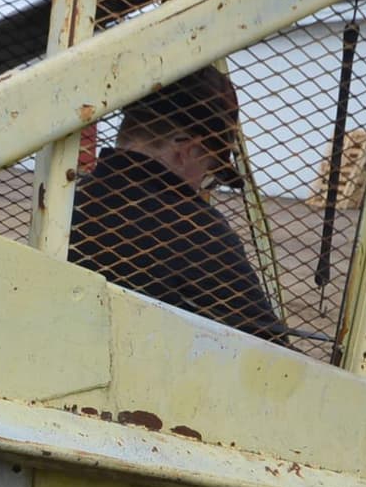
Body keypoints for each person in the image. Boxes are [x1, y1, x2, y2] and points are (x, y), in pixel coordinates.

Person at [69, 66, 283, 342]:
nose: (202, 187)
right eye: (209, 175)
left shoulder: (71, 201)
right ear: (188, 150)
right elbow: (271, 348)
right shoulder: (199, 231)